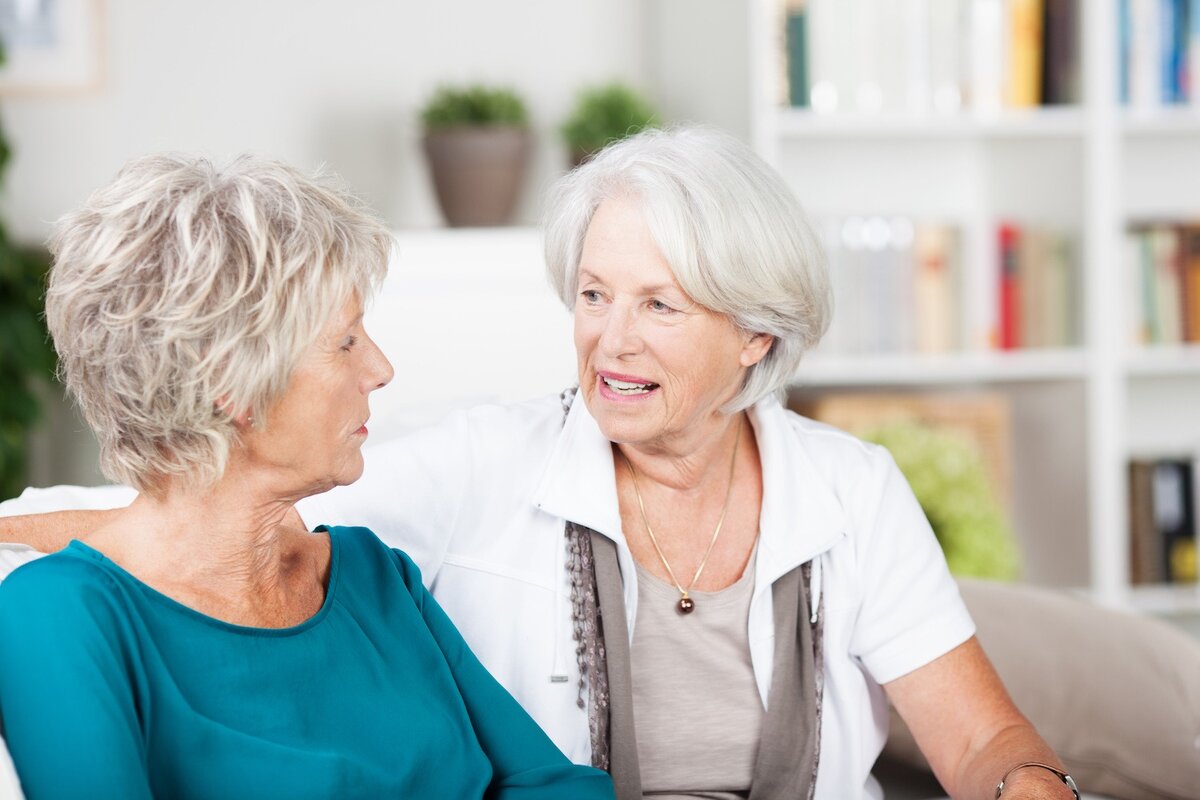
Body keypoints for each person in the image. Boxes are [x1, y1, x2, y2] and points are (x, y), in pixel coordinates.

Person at [0, 129, 1078, 800]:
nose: (611, 339)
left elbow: (980, 733)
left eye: (659, 304)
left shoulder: (848, 487)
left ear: (756, 334)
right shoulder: (463, 467)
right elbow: (178, 509)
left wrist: (1032, 782)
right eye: (594, 294)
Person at [0, 154, 612, 800]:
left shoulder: (378, 578)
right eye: (346, 341)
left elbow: (560, 785)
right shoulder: (58, 618)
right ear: (230, 384)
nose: (381, 368)